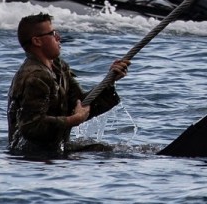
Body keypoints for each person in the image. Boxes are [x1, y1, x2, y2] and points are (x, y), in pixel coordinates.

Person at [7, 13, 129, 156]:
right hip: (33, 155)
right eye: (52, 33)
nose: (58, 37)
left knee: (109, 150)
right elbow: (31, 126)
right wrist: (73, 120)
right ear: (37, 41)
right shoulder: (35, 77)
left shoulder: (58, 67)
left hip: (56, 149)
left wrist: (109, 81)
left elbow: (80, 104)